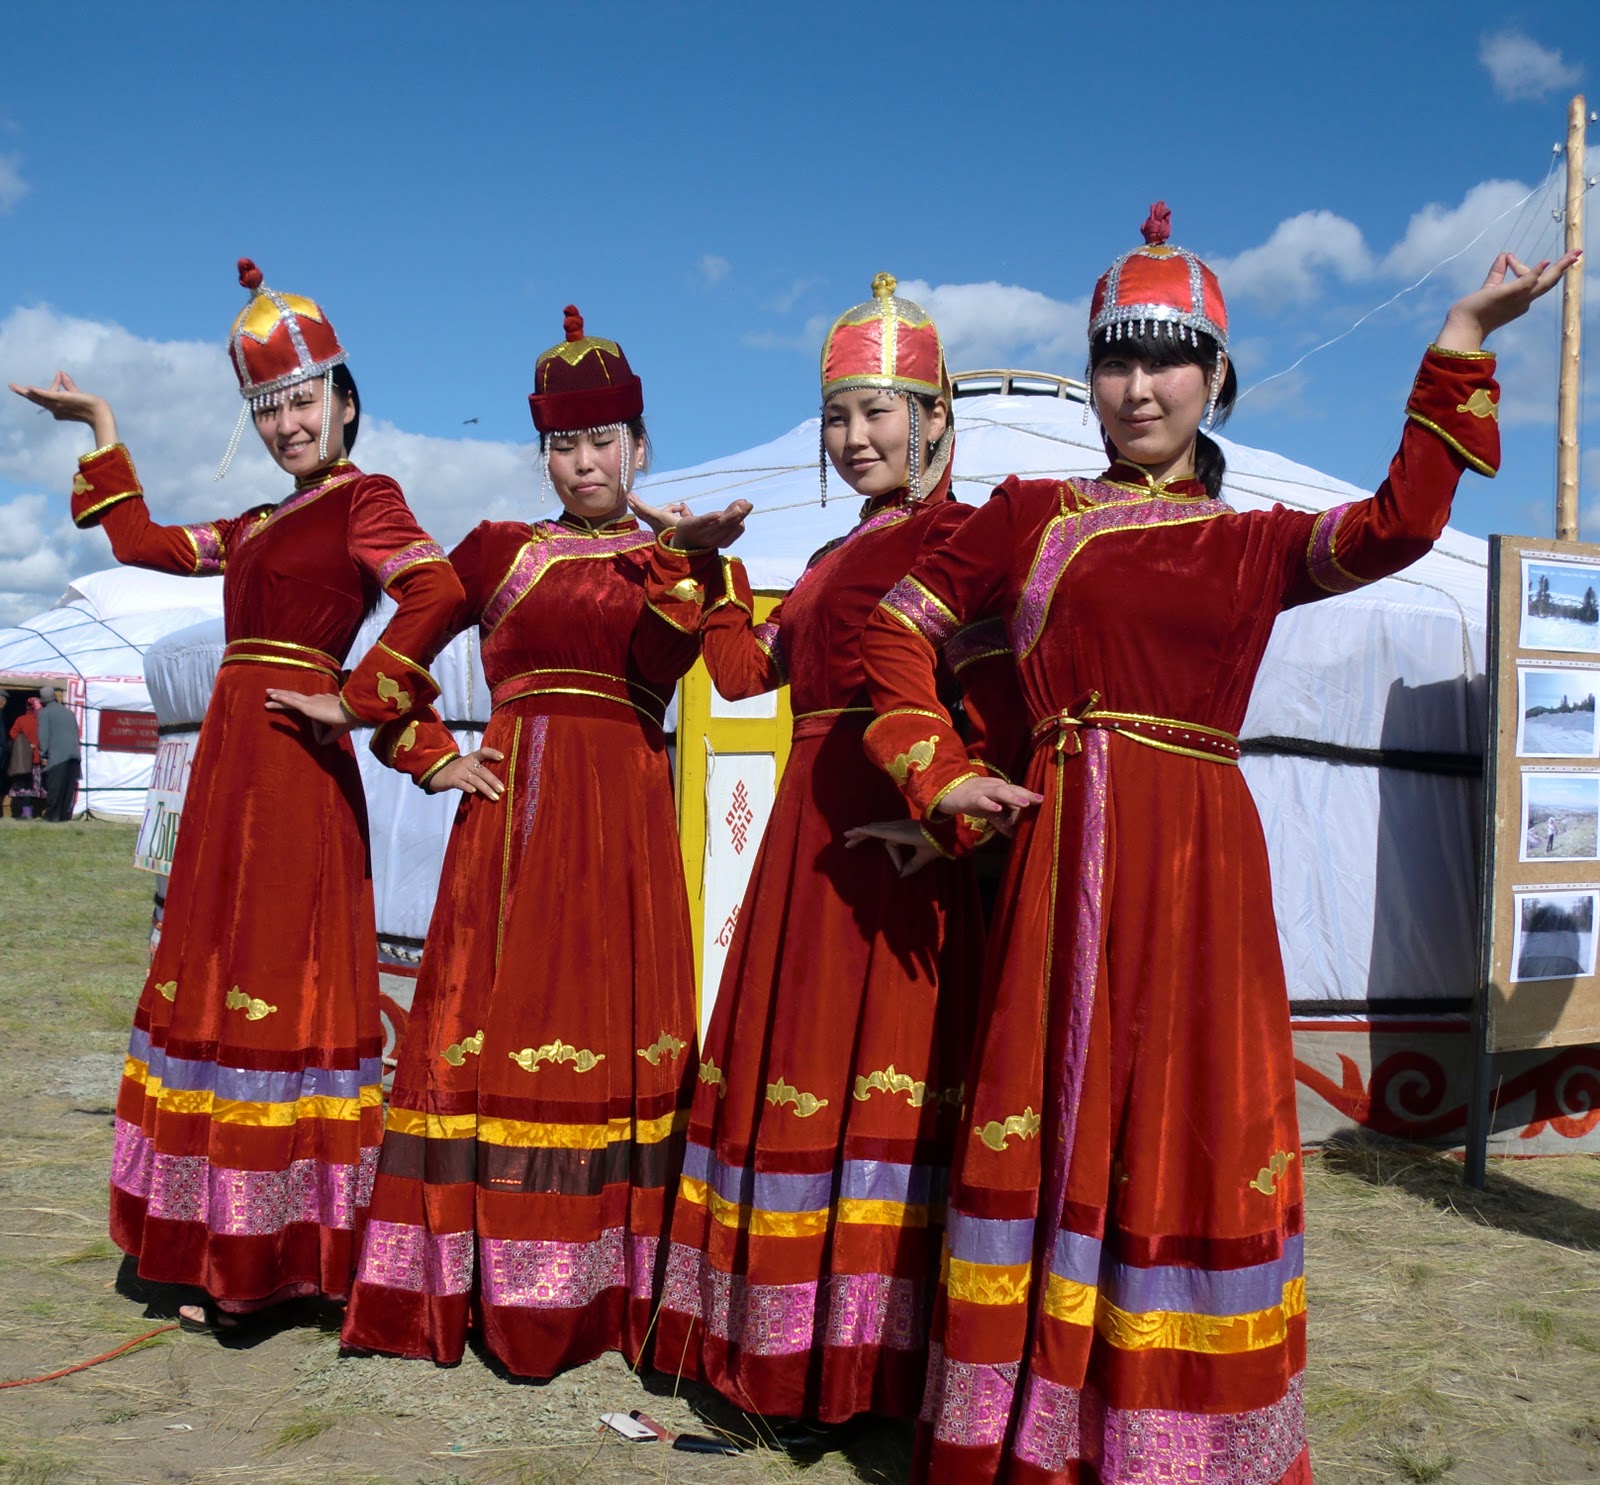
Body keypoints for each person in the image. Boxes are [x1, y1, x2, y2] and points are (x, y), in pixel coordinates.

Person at [857, 206, 1575, 1483]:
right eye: (1115, 362)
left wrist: (1458, 339)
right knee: (1059, 1108)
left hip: (1198, 864)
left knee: (1184, 1123)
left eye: (1167, 361)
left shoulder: (1255, 543)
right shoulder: (1028, 510)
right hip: (1063, 845)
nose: (1139, 388)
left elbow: (1401, 528)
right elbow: (891, 633)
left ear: (1216, 379)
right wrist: (942, 770)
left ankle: (1171, 1432)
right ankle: (1025, 1425)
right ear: (1090, 377)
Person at [9, 259, 465, 1333]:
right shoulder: (258, 524)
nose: (288, 423)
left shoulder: (370, 500)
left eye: (303, 399)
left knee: (279, 988)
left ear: (345, 399)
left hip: (298, 777)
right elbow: (142, 543)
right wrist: (101, 425)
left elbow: (438, 591)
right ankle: (208, 1236)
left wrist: (358, 701)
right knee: (214, 984)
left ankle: (267, 1262)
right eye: (268, 408)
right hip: (227, 774)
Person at [335, 306, 745, 1379]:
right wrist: (430, 751)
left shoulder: (679, 555)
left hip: (622, 829)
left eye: (603, 440)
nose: (583, 462)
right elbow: (392, 660)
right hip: (510, 831)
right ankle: (485, 1289)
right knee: (495, 1029)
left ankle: (613, 1295)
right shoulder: (498, 550)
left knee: (614, 1033)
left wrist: (694, 567)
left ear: (641, 444)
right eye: (563, 444)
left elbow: (700, 668)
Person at [650, 275, 1023, 1425]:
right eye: (838, 417)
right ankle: (772, 1349)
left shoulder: (968, 539)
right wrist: (706, 571)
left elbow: (1004, 701)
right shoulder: (824, 560)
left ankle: (862, 1372)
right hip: (803, 851)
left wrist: (944, 819)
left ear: (935, 417)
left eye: (880, 412)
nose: (856, 438)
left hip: (891, 863)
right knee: (788, 1079)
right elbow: (744, 676)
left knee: (880, 1097)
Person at [35, 686, 81, 821]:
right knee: (67, 789)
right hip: (74, 755)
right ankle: (64, 816)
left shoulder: (44, 713)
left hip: (58, 756)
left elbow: (43, 736)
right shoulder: (69, 712)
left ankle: (51, 816)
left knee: (55, 788)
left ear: (43, 701)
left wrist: (43, 754)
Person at [7, 697, 45, 819]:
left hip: (24, 759)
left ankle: (24, 813)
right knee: (35, 788)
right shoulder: (43, 721)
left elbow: (13, 733)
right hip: (37, 759)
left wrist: (25, 744)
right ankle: (35, 813)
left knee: (24, 788)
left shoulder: (21, 720)